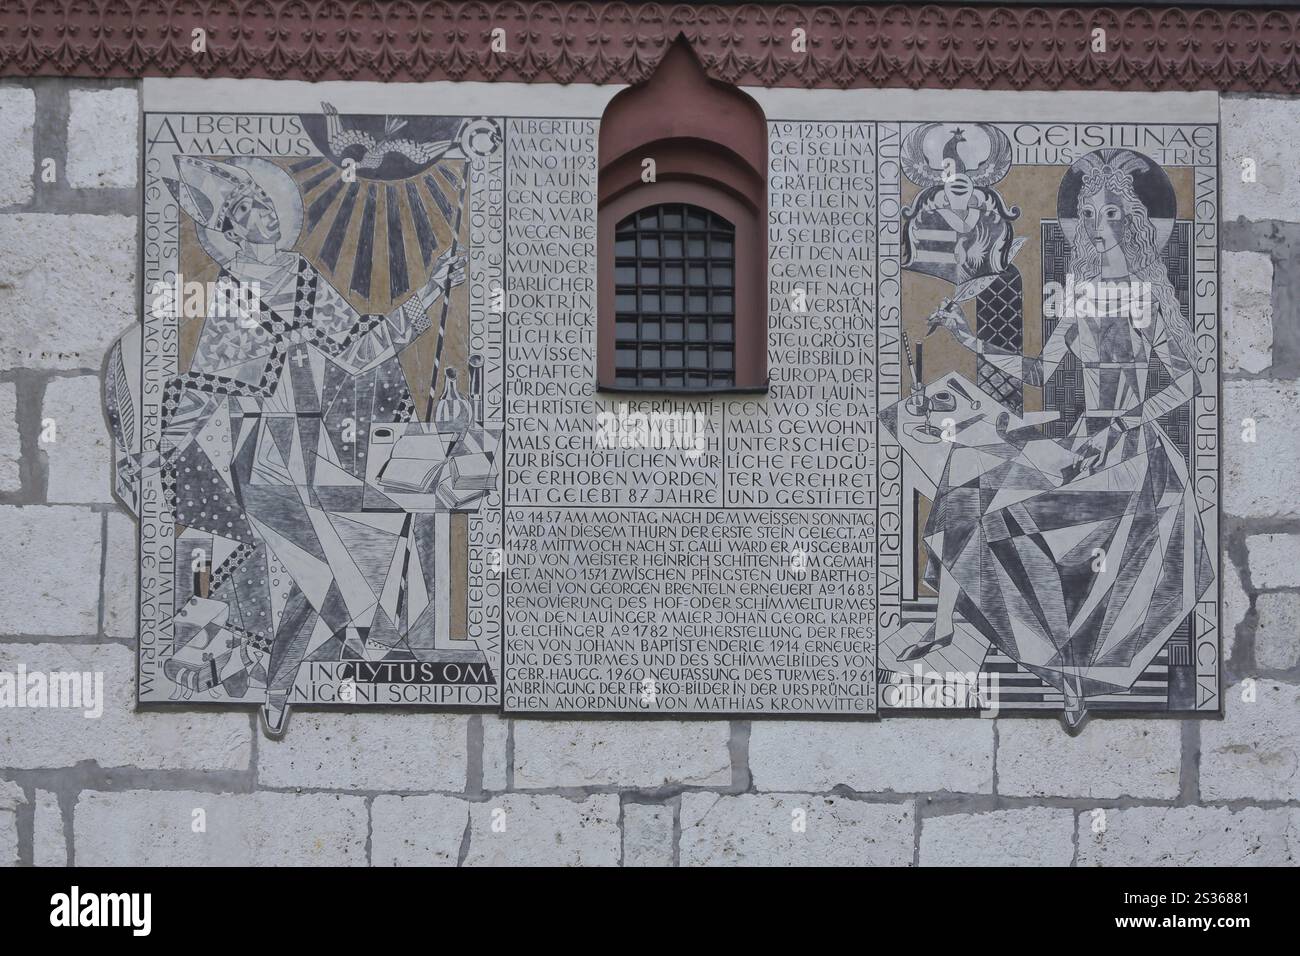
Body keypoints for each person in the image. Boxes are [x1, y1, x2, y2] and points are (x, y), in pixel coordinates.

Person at [907, 148, 1213, 727]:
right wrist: (969, 342)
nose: (1093, 224)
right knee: (968, 492)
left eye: (1103, 213)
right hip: (1081, 444)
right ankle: (962, 629)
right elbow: (1039, 372)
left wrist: (1121, 423)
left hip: (1136, 455)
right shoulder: (1079, 292)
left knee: (1032, 528)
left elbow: (1191, 380)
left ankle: (1070, 677)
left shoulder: (1151, 292)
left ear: (1127, 218)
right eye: (1087, 214)